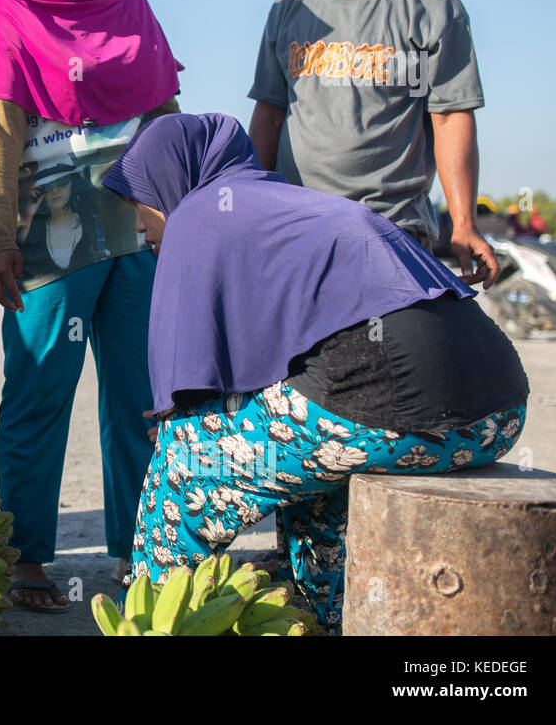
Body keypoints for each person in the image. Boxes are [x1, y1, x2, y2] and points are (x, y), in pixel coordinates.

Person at [102, 112, 529, 632]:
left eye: (138, 204)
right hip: (496, 417)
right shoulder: (295, 205)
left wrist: (182, 426)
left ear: (171, 179)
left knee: (182, 463)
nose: (139, 225)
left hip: (389, 407)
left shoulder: (197, 213)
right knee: (313, 462)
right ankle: (322, 615)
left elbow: (183, 387)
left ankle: (142, 619)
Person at [0, 0, 182, 611]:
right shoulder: (7, 13)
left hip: (134, 232)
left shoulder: (133, 9)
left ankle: (139, 551)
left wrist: (177, 217)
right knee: (37, 392)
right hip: (46, 236)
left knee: (144, 397)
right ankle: (25, 559)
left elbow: (166, 119)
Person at [247, 0, 498, 289]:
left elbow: (451, 116)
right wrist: (249, 205)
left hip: (393, 233)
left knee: (390, 355)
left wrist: (463, 222)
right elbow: (269, 114)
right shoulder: (289, 9)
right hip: (297, 229)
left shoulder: (435, 7)